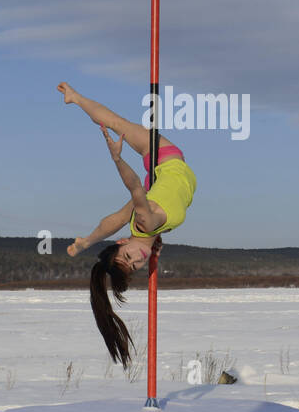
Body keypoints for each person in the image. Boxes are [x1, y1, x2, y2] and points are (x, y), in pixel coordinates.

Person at [57, 82, 197, 367]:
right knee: (118, 124)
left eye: (128, 257)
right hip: (156, 180)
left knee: (117, 124)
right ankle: (78, 96)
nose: (138, 260)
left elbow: (134, 189)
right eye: (134, 266)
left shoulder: (144, 224)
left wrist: (118, 158)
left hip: (164, 159)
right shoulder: (140, 232)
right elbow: (112, 223)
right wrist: (87, 242)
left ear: (124, 243)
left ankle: (77, 96)